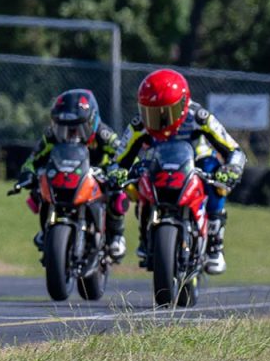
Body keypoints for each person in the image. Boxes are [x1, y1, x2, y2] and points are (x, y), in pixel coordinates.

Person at [110, 68, 246, 274]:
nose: (159, 120)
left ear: (183, 105)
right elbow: (119, 158)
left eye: (166, 113)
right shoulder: (140, 124)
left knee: (214, 175)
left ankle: (214, 245)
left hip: (196, 163)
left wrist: (232, 168)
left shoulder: (199, 117)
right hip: (159, 165)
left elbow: (233, 149)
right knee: (139, 178)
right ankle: (145, 234)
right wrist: (118, 172)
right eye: (151, 113)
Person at [15, 89, 127, 258]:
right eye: (63, 129)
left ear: (92, 122)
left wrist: (116, 170)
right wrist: (27, 173)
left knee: (117, 194)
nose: (71, 135)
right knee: (40, 189)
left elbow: (124, 153)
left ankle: (116, 236)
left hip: (98, 177)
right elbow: (33, 158)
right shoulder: (51, 136)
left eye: (78, 128)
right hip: (66, 176)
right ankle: (46, 230)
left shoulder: (104, 134)